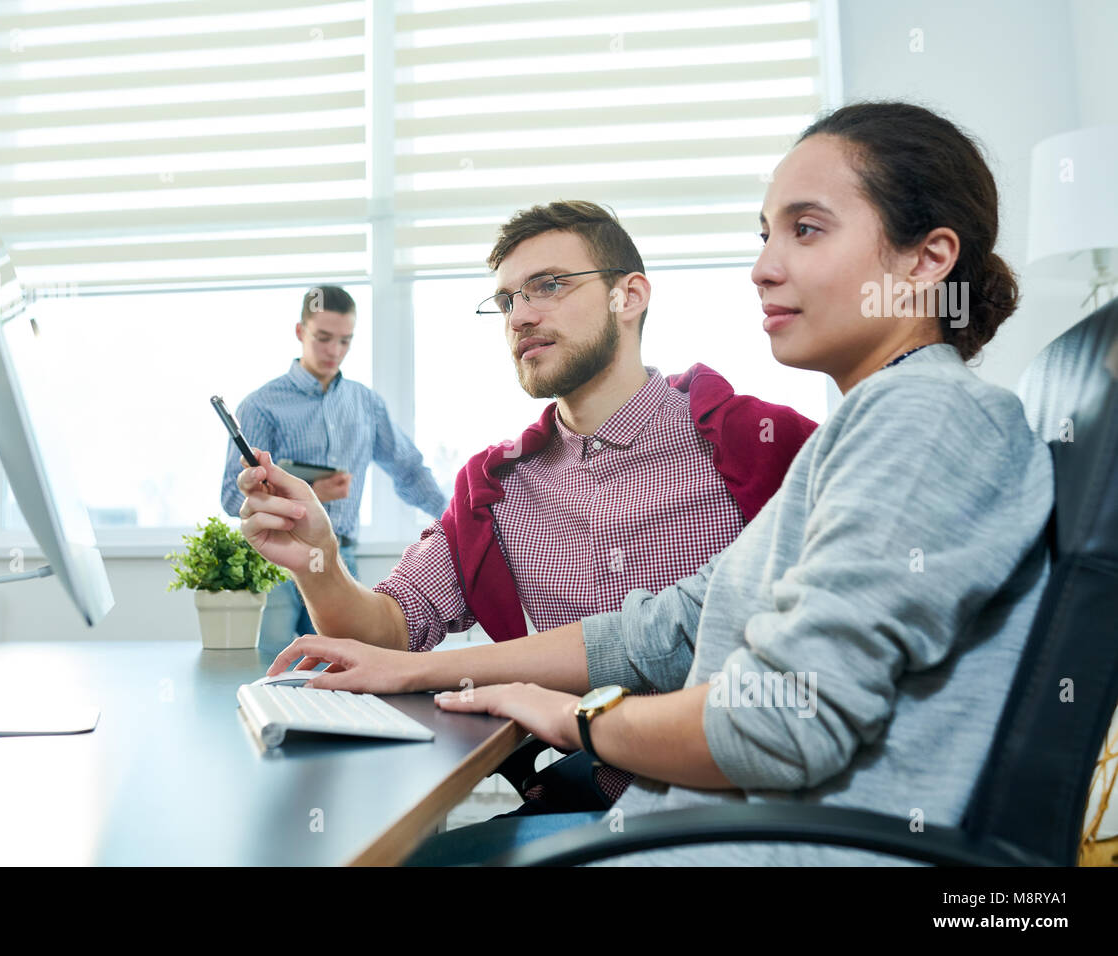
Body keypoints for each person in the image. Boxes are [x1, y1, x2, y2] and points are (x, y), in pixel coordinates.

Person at [259, 101, 1056, 866]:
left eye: (806, 230)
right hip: (673, 815)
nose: (761, 268)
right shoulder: (863, 433)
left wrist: (579, 719)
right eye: (507, 299)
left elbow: (783, 717)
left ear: (928, 260)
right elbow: (659, 630)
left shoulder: (898, 426)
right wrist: (341, 582)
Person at [236, 201, 818, 810]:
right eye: (508, 300)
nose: (520, 316)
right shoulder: (495, 484)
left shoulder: (763, 445)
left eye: (548, 286)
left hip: (735, 818)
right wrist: (317, 559)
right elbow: (387, 637)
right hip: (582, 805)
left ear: (630, 295)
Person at [220, 285, 446, 638]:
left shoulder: (366, 403)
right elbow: (232, 499)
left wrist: (455, 518)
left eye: (345, 341)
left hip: (339, 559)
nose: (334, 351)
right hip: (275, 561)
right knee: (271, 670)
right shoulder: (261, 405)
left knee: (342, 674)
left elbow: (409, 470)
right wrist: (313, 493)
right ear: (300, 332)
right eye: (323, 338)